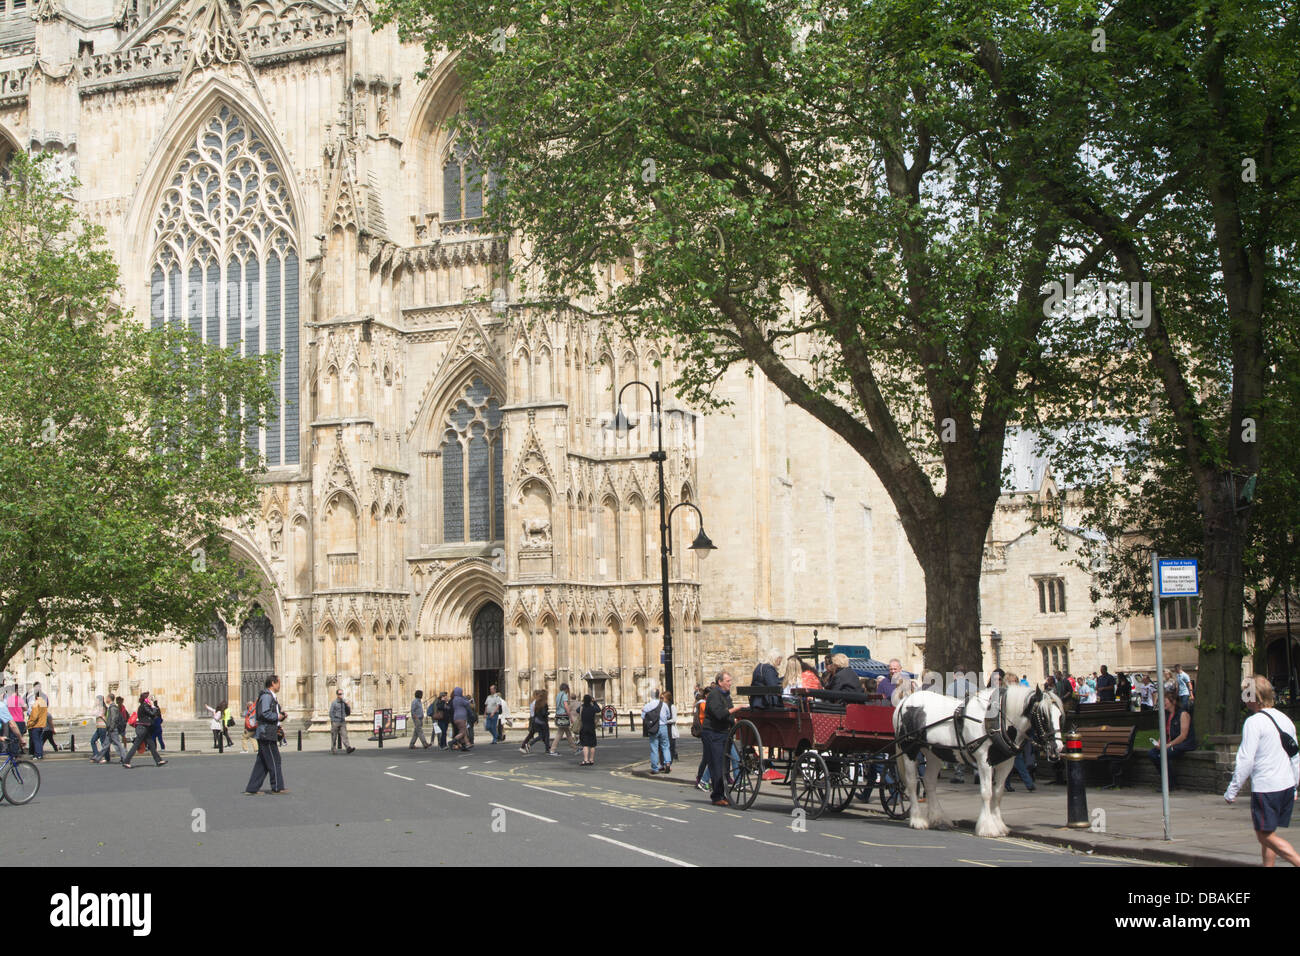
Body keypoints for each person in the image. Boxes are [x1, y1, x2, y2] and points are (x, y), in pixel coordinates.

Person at [1225, 676, 1300, 867]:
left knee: (1265, 836)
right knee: (1270, 832)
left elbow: (1245, 760)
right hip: (1286, 786)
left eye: (1245, 693)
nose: (1243, 697)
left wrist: (1232, 790)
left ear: (1254, 696)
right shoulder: (1285, 720)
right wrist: (1295, 787)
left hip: (1266, 788)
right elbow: (1295, 756)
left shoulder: (1254, 722)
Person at [702, 671, 739, 806]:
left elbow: (727, 715)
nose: (730, 683)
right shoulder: (714, 695)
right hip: (713, 733)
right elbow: (719, 714)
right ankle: (717, 796)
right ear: (720, 682)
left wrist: (734, 719)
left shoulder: (726, 696)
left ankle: (723, 794)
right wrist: (736, 709)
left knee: (724, 766)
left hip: (724, 733)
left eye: (730, 681)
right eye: (728, 681)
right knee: (716, 765)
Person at [245, 675, 287, 794]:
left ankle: (252, 788)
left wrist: (281, 717)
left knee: (262, 762)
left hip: (268, 731)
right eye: (278, 682)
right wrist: (277, 716)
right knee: (275, 760)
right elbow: (264, 713)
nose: (280, 685)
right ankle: (277, 787)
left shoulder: (270, 697)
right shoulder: (267, 697)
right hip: (266, 732)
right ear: (273, 683)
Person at [1148, 688, 1196, 789]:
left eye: (1165, 701)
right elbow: (1164, 732)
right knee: (1152, 753)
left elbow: (1183, 736)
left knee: (1164, 755)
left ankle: (1169, 783)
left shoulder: (1183, 714)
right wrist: (1160, 743)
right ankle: (1166, 779)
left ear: (1173, 702)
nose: (1163, 704)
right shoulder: (1166, 715)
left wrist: (1168, 745)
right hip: (1170, 744)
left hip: (1182, 744)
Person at [122, 692, 167, 769]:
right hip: (142, 728)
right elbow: (152, 713)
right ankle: (126, 761)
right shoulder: (144, 706)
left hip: (145, 728)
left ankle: (158, 760)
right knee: (136, 746)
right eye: (149, 698)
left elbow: (155, 714)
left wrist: (154, 706)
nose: (151, 699)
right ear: (146, 699)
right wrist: (153, 706)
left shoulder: (144, 706)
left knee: (152, 745)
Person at [642, 689, 671, 773]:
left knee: (654, 748)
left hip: (653, 728)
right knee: (665, 746)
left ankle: (655, 768)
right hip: (663, 727)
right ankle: (667, 764)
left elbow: (643, 716)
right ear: (658, 695)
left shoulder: (648, 705)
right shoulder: (664, 705)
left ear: (651, 695)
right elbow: (668, 715)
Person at [519, 689, 551, 755]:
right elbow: (543, 713)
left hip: (536, 720)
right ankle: (528, 745)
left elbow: (534, 712)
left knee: (540, 735)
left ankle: (547, 748)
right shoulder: (544, 703)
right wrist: (548, 713)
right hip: (542, 721)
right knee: (544, 735)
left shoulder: (536, 702)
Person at [26, 693, 48, 759]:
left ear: (36, 696)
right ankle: (40, 754)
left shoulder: (36, 703)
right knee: (40, 740)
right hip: (42, 724)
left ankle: (37, 754)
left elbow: (34, 716)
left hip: (36, 725)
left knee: (36, 740)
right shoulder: (44, 703)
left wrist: (29, 723)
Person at [450, 686, 472, 751]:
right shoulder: (460, 699)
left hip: (455, 717)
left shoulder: (454, 699)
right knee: (463, 732)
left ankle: (464, 746)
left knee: (462, 731)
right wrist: (469, 700)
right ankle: (453, 741)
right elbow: (467, 703)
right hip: (461, 717)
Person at [578, 693, 598, 765]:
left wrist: (582, 704)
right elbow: (598, 709)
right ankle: (591, 760)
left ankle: (585, 760)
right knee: (592, 745)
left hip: (583, 727)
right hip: (592, 727)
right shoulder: (593, 708)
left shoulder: (581, 708)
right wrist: (595, 702)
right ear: (590, 700)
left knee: (585, 745)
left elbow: (577, 711)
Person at [553, 683, 574, 753]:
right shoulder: (564, 695)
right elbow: (566, 706)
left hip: (558, 715)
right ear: (566, 689)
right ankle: (552, 749)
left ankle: (574, 748)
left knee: (567, 732)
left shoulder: (558, 695)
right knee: (560, 733)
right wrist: (570, 716)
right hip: (563, 716)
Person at [89, 695, 108, 762]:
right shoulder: (98, 708)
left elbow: (97, 714)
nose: (95, 701)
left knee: (103, 743)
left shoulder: (103, 708)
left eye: (96, 700)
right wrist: (94, 707)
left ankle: (104, 757)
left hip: (102, 727)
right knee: (93, 741)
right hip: (98, 727)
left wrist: (96, 710)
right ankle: (96, 755)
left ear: (100, 701)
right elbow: (92, 713)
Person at [663, 690, 679, 764]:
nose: (662, 700)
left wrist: (665, 721)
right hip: (664, 729)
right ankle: (666, 762)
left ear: (667, 698)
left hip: (671, 729)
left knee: (671, 746)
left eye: (663, 698)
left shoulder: (672, 707)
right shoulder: (663, 707)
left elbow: (674, 719)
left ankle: (670, 761)